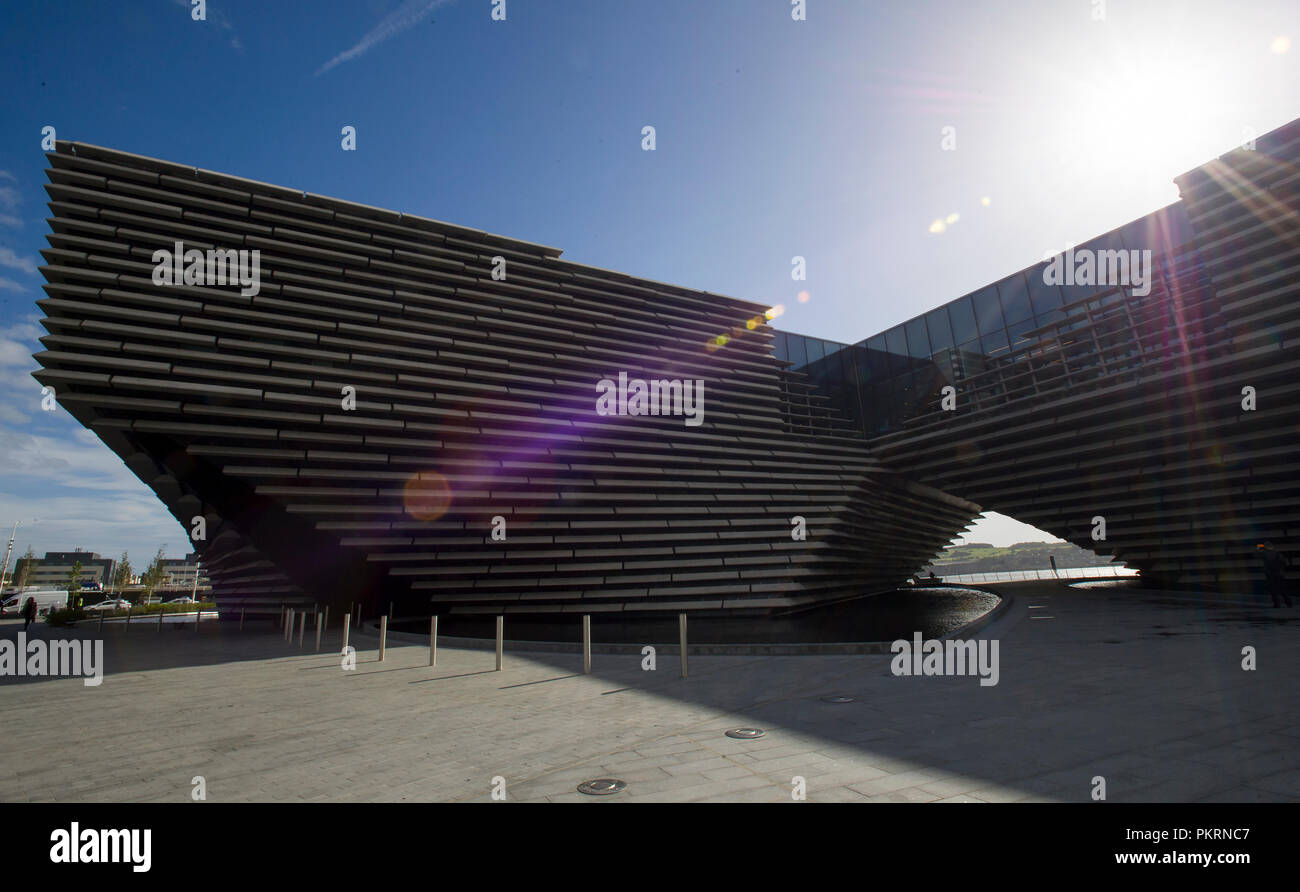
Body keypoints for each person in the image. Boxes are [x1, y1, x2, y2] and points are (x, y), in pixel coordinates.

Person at [1257, 542, 1292, 608]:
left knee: (1273, 590)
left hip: (1271, 574)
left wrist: (1259, 546)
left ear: (1266, 547)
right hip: (1280, 574)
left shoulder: (1264, 553)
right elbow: (1285, 563)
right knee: (1283, 589)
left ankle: (1277, 604)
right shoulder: (1278, 553)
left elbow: (1256, 554)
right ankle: (1289, 603)